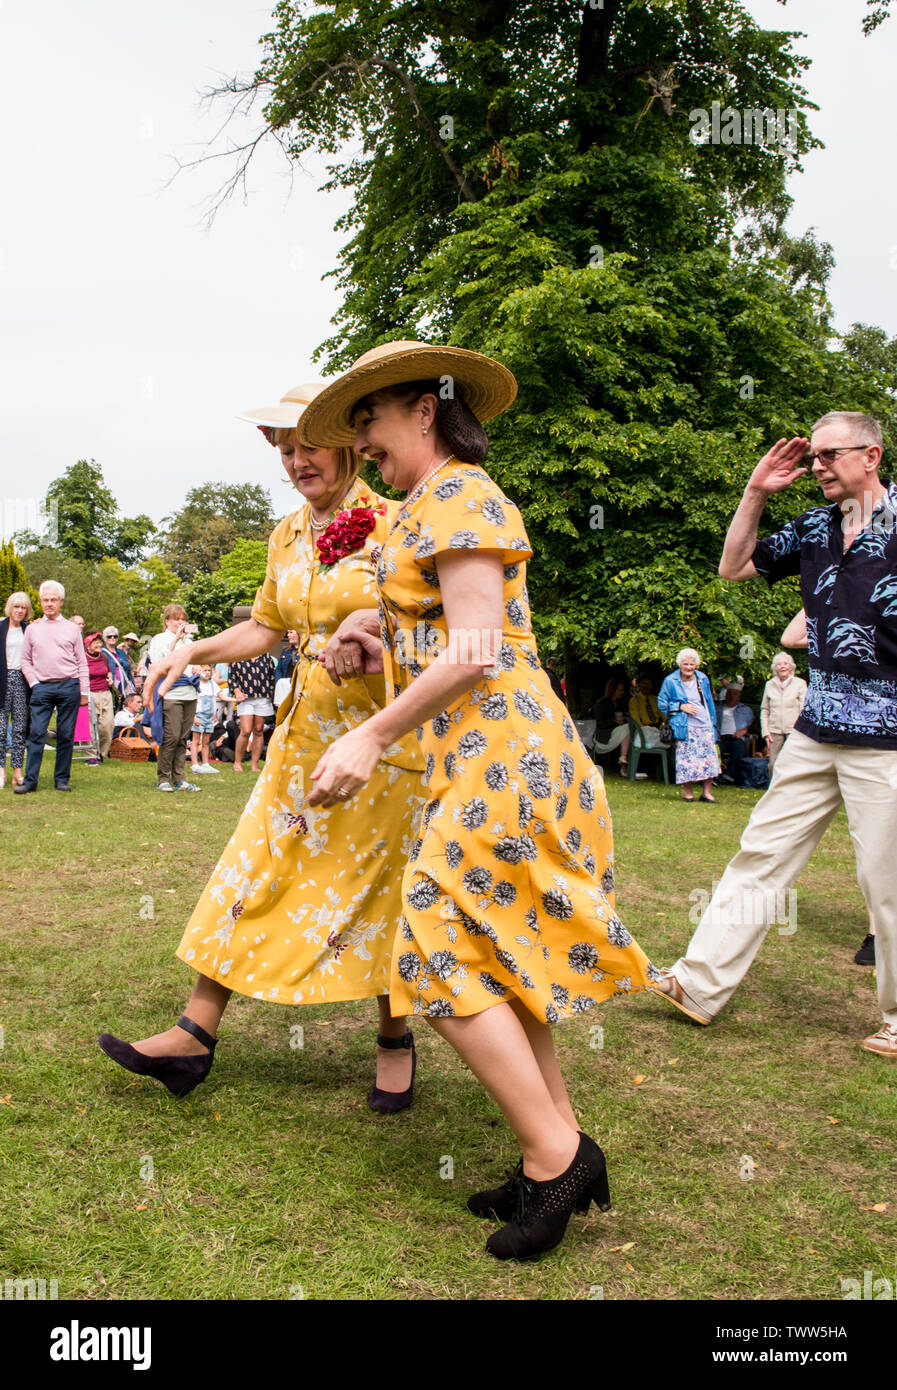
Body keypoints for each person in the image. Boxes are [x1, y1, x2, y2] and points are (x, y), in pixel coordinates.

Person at [299, 340, 659, 1261]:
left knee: (431, 947)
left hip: (508, 759)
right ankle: (561, 1146)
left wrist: (369, 732)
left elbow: (474, 646)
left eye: (369, 422)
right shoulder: (423, 509)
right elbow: (434, 618)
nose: (361, 445)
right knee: (492, 948)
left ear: (424, 410)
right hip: (470, 760)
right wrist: (364, 623)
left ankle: (556, 1155)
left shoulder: (464, 496)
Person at [98, 380, 426, 1114]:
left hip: (379, 743)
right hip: (302, 736)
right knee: (250, 870)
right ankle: (193, 1035)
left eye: (307, 444)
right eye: (283, 448)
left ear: (347, 441)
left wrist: (368, 632)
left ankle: (394, 1039)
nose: (295, 460)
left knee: (378, 893)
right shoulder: (285, 535)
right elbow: (268, 628)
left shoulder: (400, 522)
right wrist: (192, 650)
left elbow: (431, 627)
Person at [656, 415, 897, 1059]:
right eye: (812, 456)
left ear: (871, 456)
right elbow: (733, 566)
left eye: (829, 454)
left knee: (886, 880)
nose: (816, 465)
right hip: (818, 727)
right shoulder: (815, 528)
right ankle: (698, 984)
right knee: (760, 852)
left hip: (888, 735)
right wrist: (756, 492)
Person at [16, 581, 88, 794]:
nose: (49, 604)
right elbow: (25, 660)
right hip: (42, 688)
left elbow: (81, 661)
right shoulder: (32, 629)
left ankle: (61, 779)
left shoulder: (72, 629)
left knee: (66, 735)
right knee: (36, 733)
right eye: (45, 600)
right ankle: (30, 781)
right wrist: (34, 683)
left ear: (61, 602)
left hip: (69, 685)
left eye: (53, 600)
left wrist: (84, 691)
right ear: (41, 601)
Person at [146, 604, 200, 792]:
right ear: (167, 621)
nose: (180, 622)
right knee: (171, 736)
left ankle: (180, 778)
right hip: (170, 693)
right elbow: (160, 663)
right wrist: (176, 640)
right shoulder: (160, 639)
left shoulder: (189, 640)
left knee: (183, 738)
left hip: (189, 692)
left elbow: (194, 661)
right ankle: (163, 778)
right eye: (176, 619)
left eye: (182, 619)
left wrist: (197, 668)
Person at [658, 649, 720, 803]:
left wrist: (713, 723)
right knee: (686, 759)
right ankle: (688, 793)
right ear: (680, 664)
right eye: (686, 664)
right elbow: (661, 703)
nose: (689, 667)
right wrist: (680, 706)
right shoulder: (670, 681)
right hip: (683, 726)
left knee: (708, 757)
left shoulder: (703, 678)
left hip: (704, 723)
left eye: (692, 664)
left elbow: (709, 702)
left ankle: (707, 793)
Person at [0, 592, 32, 788]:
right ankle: (1, 770)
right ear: (10, 608)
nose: (20, 610)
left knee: (20, 728)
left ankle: (18, 771)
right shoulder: (1, 627)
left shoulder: (29, 629)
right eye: (16, 606)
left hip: (22, 680)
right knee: (1, 729)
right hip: (2, 679)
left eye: (23, 607)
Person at [228, 652, 275, 772]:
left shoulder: (266, 657)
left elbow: (271, 676)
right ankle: (237, 763)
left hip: (263, 697)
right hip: (245, 698)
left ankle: (255, 765)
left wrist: (270, 691)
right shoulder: (238, 655)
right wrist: (237, 691)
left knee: (259, 730)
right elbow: (232, 677)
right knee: (246, 730)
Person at [760, 652, 807, 773]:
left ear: (791, 666)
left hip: (794, 730)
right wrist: (765, 732)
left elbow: (804, 709)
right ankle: (774, 790)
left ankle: (795, 791)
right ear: (774, 668)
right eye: (779, 664)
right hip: (774, 731)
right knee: (773, 765)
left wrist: (801, 729)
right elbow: (765, 710)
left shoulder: (800, 683)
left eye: (786, 663)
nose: (782, 666)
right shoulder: (769, 684)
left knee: (794, 764)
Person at [714, 678, 754, 785]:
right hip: (720, 736)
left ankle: (729, 776)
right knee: (714, 748)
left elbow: (751, 726)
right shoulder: (717, 707)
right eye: (730, 694)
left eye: (735, 694)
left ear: (739, 696)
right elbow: (710, 721)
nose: (732, 696)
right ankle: (715, 776)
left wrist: (744, 730)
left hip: (736, 737)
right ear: (726, 695)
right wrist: (714, 731)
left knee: (740, 747)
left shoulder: (745, 710)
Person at [84, 631, 116, 759]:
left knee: (107, 725)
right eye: (94, 641)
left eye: (99, 641)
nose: (98, 643)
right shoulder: (82, 658)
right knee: (90, 727)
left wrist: (110, 678)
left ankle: (101, 753)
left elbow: (108, 672)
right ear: (88, 645)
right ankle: (91, 755)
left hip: (105, 694)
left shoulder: (104, 657)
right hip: (89, 693)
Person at [593, 677, 632, 774]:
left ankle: (624, 758)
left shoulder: (620, 704)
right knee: (626, 729)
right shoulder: (601, 703)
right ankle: (623, 758)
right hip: (604, 736)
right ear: (613, 690)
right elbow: (600, 723)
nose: (622, 692)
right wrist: (615, 722)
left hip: (616, 733)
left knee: (628, 729)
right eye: (620, 690)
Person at [190, 665, 220, 774]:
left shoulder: (213, 684)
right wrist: (194, 717)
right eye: (204, 670)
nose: (207, 673)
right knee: (196, 740)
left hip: (209, 716)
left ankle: (206, 764)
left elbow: (218, 697)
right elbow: (192, 701)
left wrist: (235, 699)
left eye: (209, 670)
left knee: (206, 741)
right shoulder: (196, 683)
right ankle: (194, 765)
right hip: (199, 714)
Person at [101, 627, 136, 700]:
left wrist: (133, 686)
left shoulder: (121, 652)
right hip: (111, 687)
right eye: (109, 636)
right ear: (104, 639)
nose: (112, 638)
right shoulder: (102, 654)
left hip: (124, 686)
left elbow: (128, 671)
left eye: (115, 636)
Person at [628, 673, 662, 745]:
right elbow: (636, 721)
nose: (646, 686)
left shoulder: (655, 699)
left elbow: (664, 716)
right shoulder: (634, 701)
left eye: (649, 684)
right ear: (639, 685)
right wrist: (645, 732)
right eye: (644, 683)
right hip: (644, 730)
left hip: (657, 728)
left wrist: (662, 728)